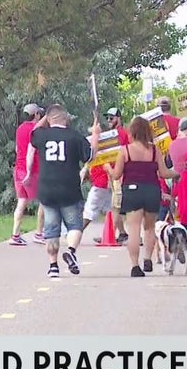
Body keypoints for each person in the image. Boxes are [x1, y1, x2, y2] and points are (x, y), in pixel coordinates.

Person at [22, 104, 101, 278]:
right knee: (74, 225)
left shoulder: (42, 135)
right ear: (66, 119)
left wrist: (46, 116)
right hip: (69, 189)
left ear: (49, 119)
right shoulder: (74, 136)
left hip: (47, 189)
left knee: (50, 229)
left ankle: (53, 266)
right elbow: (90, 155)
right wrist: (95, 135)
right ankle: (71, 251)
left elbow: (33, 132)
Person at [110, 116, 178, 277]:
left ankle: (135, 266)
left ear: (132, 131)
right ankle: (148, 258)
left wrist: (107, 168)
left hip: (132, 191)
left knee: (133, 229)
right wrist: (178, 173)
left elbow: (116, 174)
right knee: (149, 228)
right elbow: (163, 172)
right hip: (152, 190)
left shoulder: (124, 151)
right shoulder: (154, 150)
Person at [88, 108, 130, 244]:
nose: (109, 121)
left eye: (111, 118)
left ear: (119, 118)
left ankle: (110, 235)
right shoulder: (112, 134)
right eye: (108, 118)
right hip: (110, 174)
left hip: (118, 174)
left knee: (115, 206)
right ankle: (121, 233)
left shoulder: (122, 134)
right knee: (113, 206)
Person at [11, 103, 46, 246]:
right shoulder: (35, 129)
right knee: (44, 201)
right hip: (31, 171)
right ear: (36, 115)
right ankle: (39, 233)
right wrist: (30, 172)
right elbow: (32, 152)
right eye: (39, 114)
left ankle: (15, 235)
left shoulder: (20, 129)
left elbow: (17, 148)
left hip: (18, 170)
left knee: (21, 202)